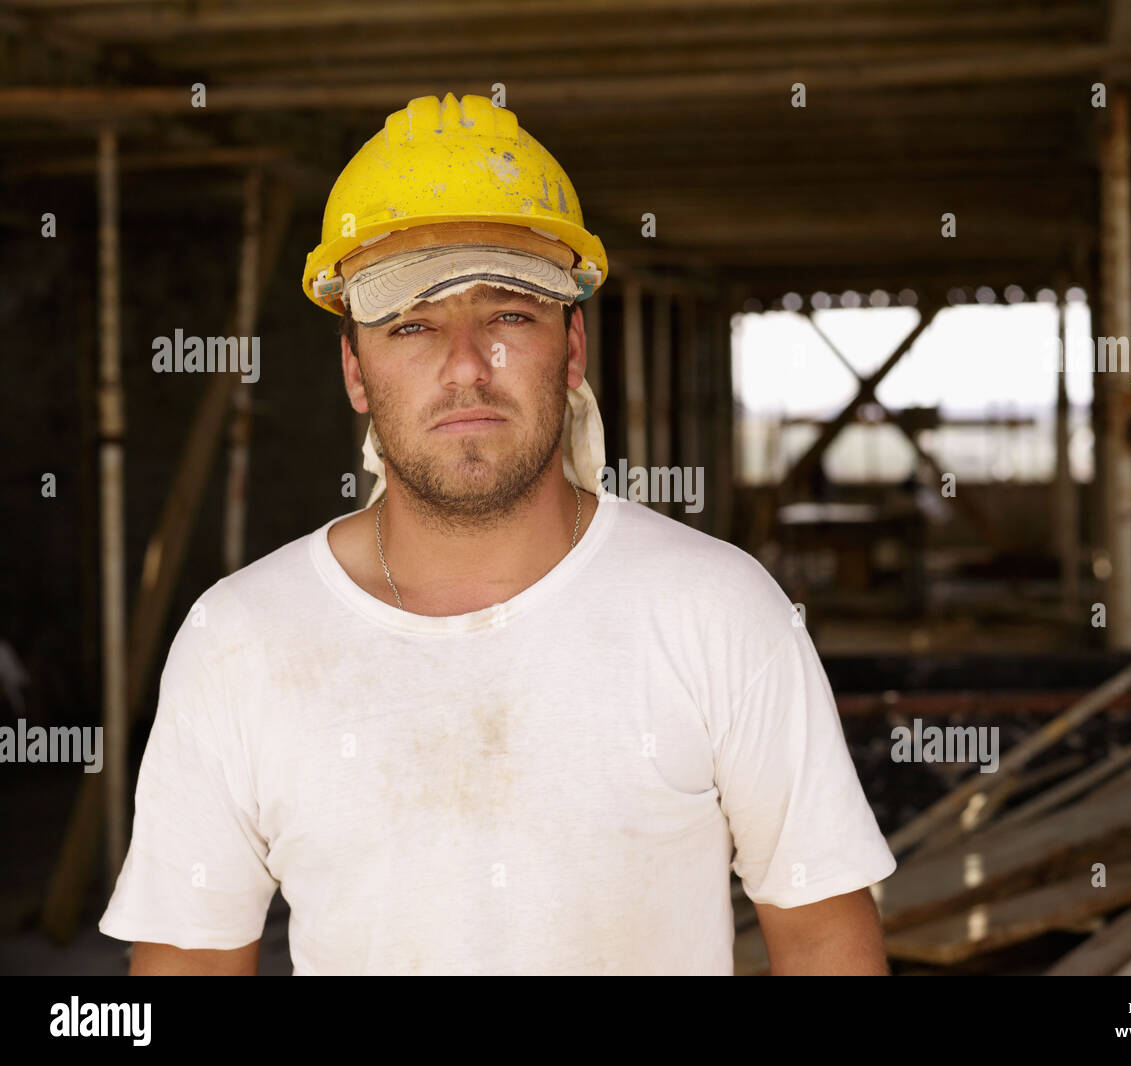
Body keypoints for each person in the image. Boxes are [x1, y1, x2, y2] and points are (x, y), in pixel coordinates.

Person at [99, 93, 896, 975]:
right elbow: (189, 964)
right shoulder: (241, 639)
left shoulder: (716, 608)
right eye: (413, 325)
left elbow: (826, 939)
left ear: (573, 347)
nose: (468, 365)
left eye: (510, 315)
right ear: (355, 370)